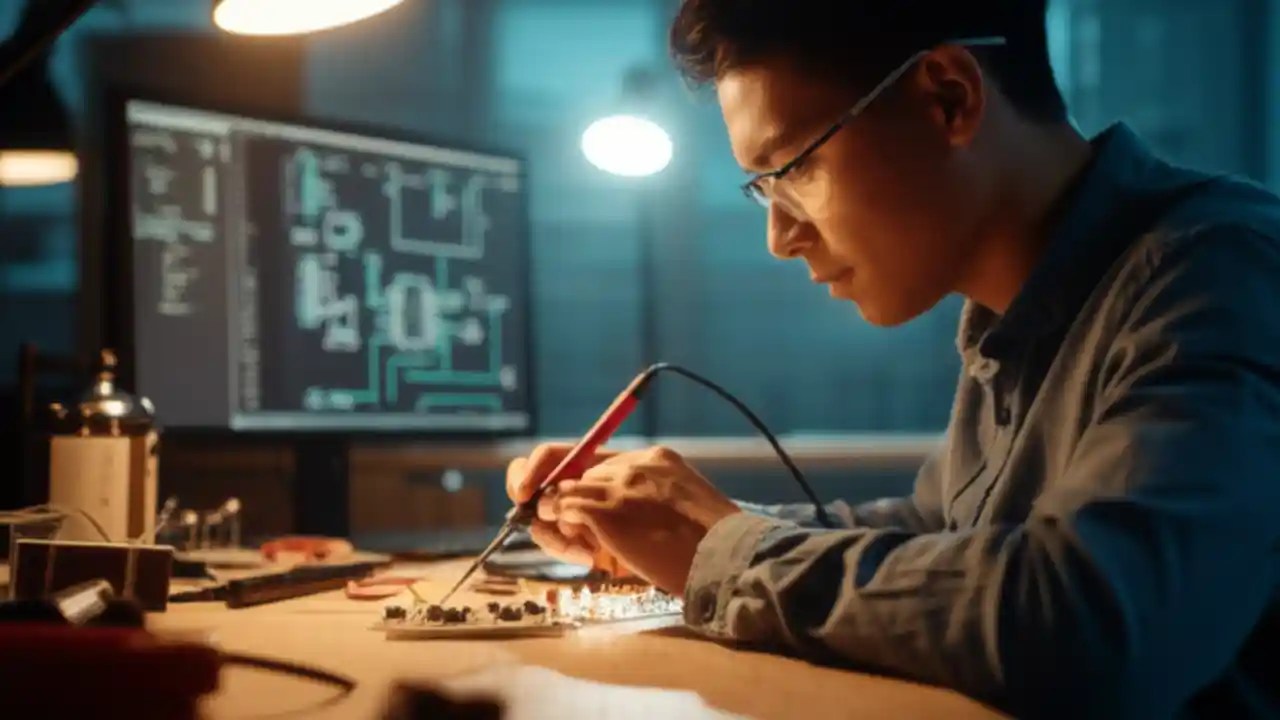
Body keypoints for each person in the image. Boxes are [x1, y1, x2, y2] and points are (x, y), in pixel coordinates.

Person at [506, 1, 1280, 717]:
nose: (780, 237)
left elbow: (1091, 622)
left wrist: (722, 551)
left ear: (947, 98)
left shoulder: (1220, 273)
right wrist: (676, 528)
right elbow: (935, 536)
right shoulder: (1021, 317)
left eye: (793, 168)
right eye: (762, 188)